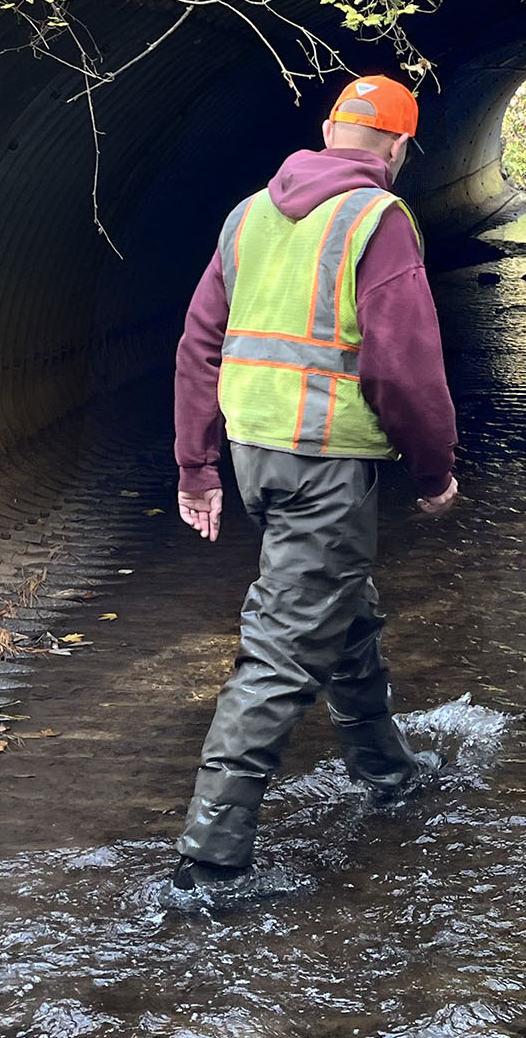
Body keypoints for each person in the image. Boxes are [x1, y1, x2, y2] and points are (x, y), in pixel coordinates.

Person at [168, 74, 462, 896]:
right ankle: (210, 860)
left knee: (341, 606)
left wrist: (197, 464)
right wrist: (434, 468)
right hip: (325, 460)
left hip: (256, 455)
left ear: (329, 131)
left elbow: (199, 343)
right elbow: (403, 367)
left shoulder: (249, 213)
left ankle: (388, 773)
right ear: (399, 148)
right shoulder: (378, 218)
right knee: (282, 649)